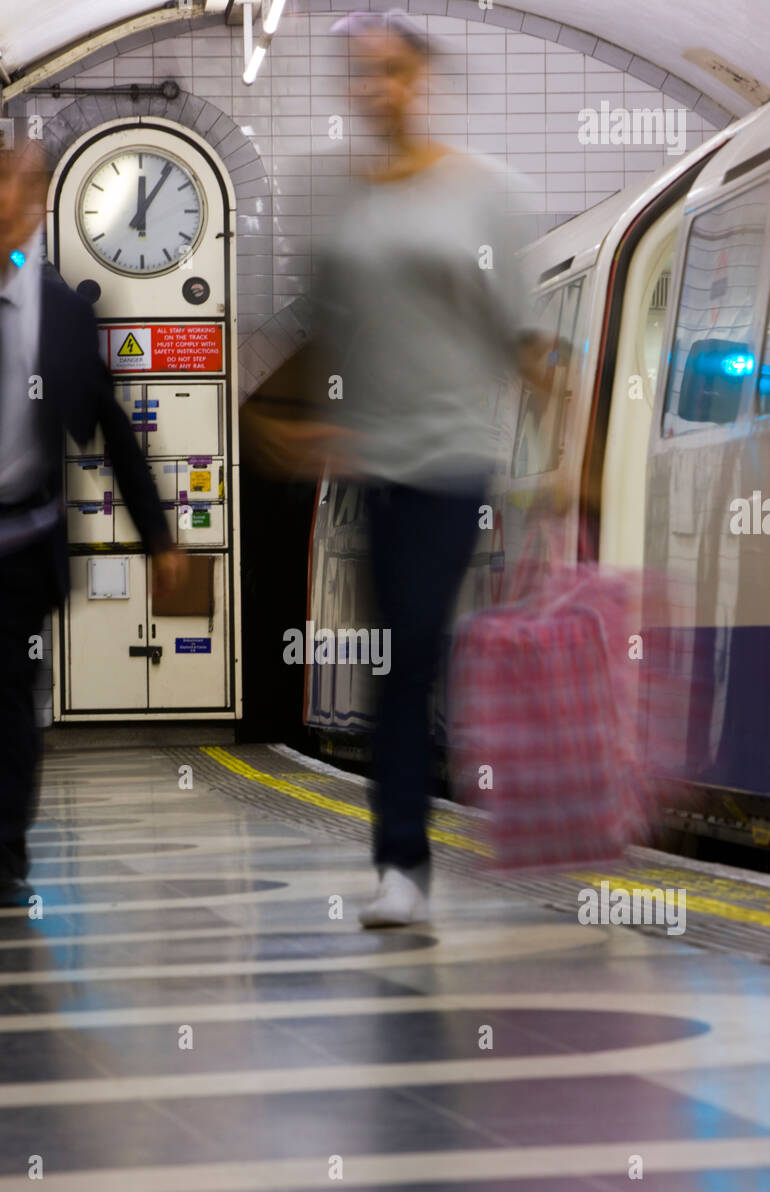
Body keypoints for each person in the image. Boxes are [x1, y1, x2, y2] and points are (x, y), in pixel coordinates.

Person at [245, 11, 544, 926]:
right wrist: (276, 417)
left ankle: (412, 856)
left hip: (454, 454)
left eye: (392, 72)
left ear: (424, 79)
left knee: (415, 641)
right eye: (361, 75)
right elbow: (319, 324)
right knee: (397, 663)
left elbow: (523, 336)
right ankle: (400, 868)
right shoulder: (336, 194)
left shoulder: (485, 192)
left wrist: (573, 453)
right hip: (372, 461)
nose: (376, 89)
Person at [0, 146, 186, 907]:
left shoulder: (63, 315)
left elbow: (111, 428)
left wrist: (158, 537)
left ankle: (3, 858)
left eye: (24, 200)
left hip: (17, 545)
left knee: (4, 707)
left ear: (35, 211)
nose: (5, 214)